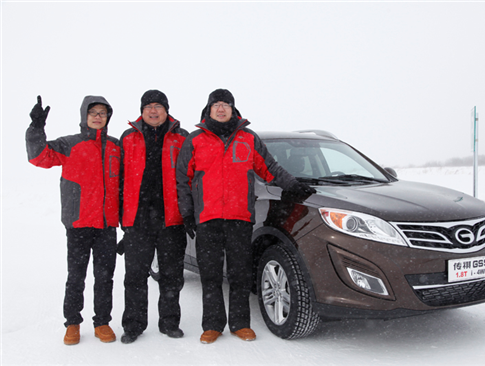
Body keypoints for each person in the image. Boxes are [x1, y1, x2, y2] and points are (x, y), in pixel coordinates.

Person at [176, 89, 315, 344]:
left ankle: (240, 323)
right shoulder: (195, 140)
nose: (221, 109)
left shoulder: (248, 139)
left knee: (240, 274)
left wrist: (292, 185)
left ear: (233, 109)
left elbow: (270, 167)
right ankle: (213, 325)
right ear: (208, 109)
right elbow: (182, 180)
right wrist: (186, 213)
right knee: (210, 274)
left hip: (240, 218)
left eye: (225, 104)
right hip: (208, 219)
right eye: (216, 104)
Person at [25, 95, 120, 345]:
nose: (98, 116)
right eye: (93, 112)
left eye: (102, 112)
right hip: (78, 223)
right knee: (76, 276)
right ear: (84, 116)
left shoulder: (115, 147)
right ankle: (73, 323)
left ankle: (102, 322)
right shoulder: (69, 144)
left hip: (107, 225)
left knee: (104, 277)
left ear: (108, 117)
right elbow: (38, 157)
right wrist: (36, 128)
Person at [119, 90, 189, 344]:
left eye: (158, 106)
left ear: (166, 109)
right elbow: (119, 179)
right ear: (142, 111)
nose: (153, 110)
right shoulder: (128, 138)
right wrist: (121, 217)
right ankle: (134, 325)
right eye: (148, 106)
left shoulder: (182, 138)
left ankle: (170, 322)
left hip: (172, 220)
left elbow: (192, 177)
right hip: (137, 221)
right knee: (135, 276)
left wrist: (190, 212)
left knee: (172, 276)